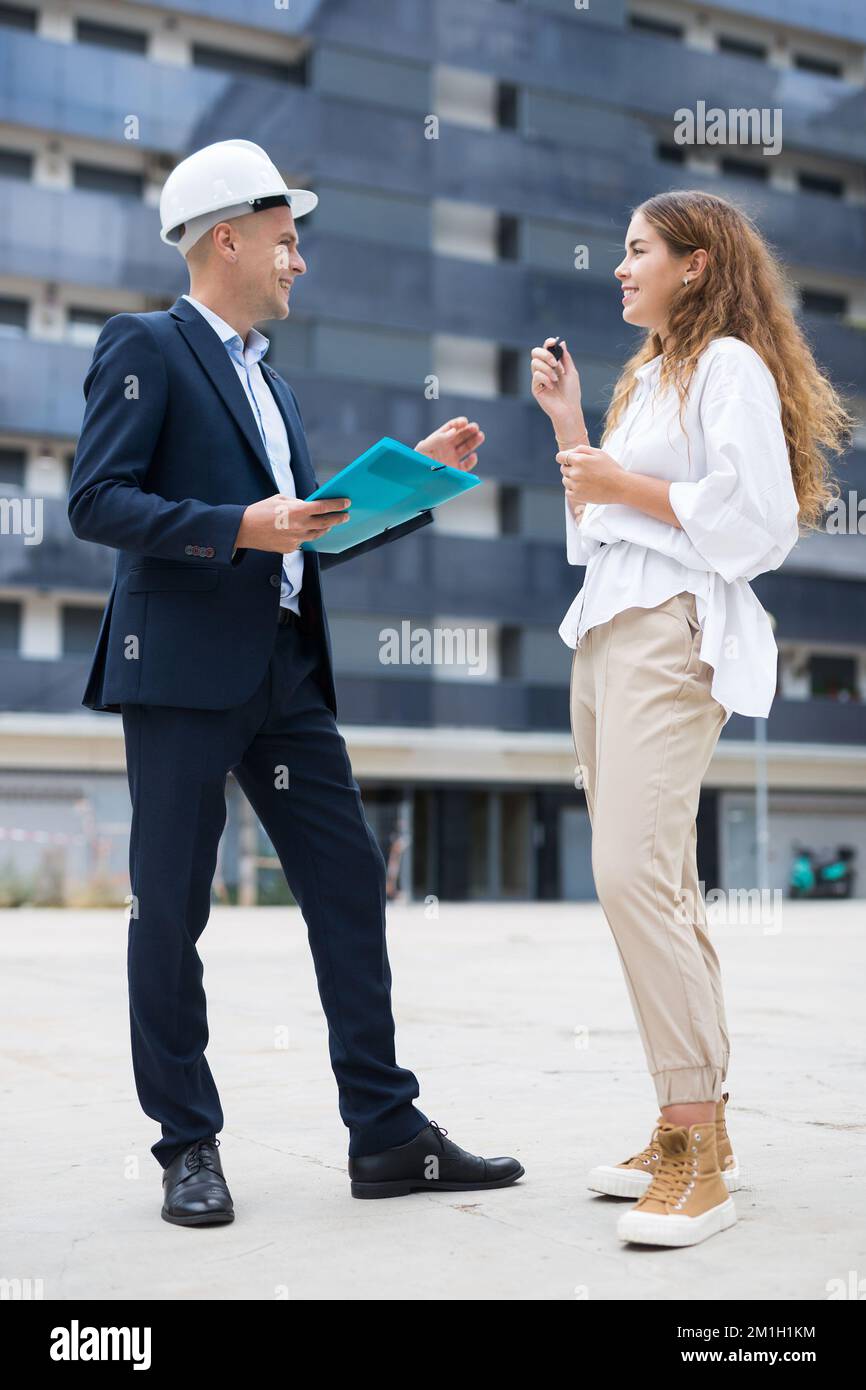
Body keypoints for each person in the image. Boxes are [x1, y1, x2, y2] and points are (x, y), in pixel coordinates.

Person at [68, 140, 523, 1225]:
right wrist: (237, 527)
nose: (297, 262)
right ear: (226, 237)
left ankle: (385, 1133)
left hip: (285, 672)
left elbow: (305, 535)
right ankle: (188, 1144)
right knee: (170, 910)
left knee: (346, 890)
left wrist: (411, 482)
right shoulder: (146, 345)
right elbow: (98, 500)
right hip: (179, 675)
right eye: (285, 239)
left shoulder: (268, 378)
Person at [531, 188, 852, 1248]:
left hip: (674, 631)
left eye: (637, 252)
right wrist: (574, 431)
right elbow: (602, 524)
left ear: (696, 263)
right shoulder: (647, 376)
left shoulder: (727, 369)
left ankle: (693, 1141)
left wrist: (619, 475)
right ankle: (686, 1123)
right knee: (654, 882)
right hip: (610, 628)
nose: (618, 268)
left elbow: (754, 522)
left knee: (628, 875)